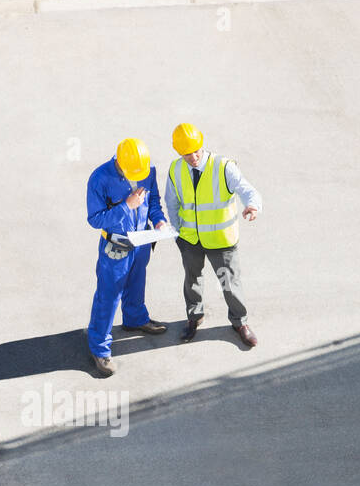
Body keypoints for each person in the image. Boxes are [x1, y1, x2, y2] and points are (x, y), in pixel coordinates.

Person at [164, 122, 261, 346]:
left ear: (202, 145)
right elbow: (172, 201)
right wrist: (178, 231)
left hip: (221, 239)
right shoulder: (175, 169)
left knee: (229, 282)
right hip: (190, 239)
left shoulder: (223, 166)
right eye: (187, 154)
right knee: (192, 281)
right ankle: (194, 318)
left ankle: (240, 322)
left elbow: (246, 189)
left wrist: (253, 206)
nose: (194, 157)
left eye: (196, 151)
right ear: (179, 152)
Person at [85, 137, 170, 376]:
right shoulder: (99, 178)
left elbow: (153, 200)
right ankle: (99, 349)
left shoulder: (147, 169)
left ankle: (135, 318)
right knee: (108, 295)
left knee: (136, 283)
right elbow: (95, 219)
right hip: (116, 245)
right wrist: (127, 206)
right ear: (120, 163)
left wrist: (159, 219)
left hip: (142, 241)